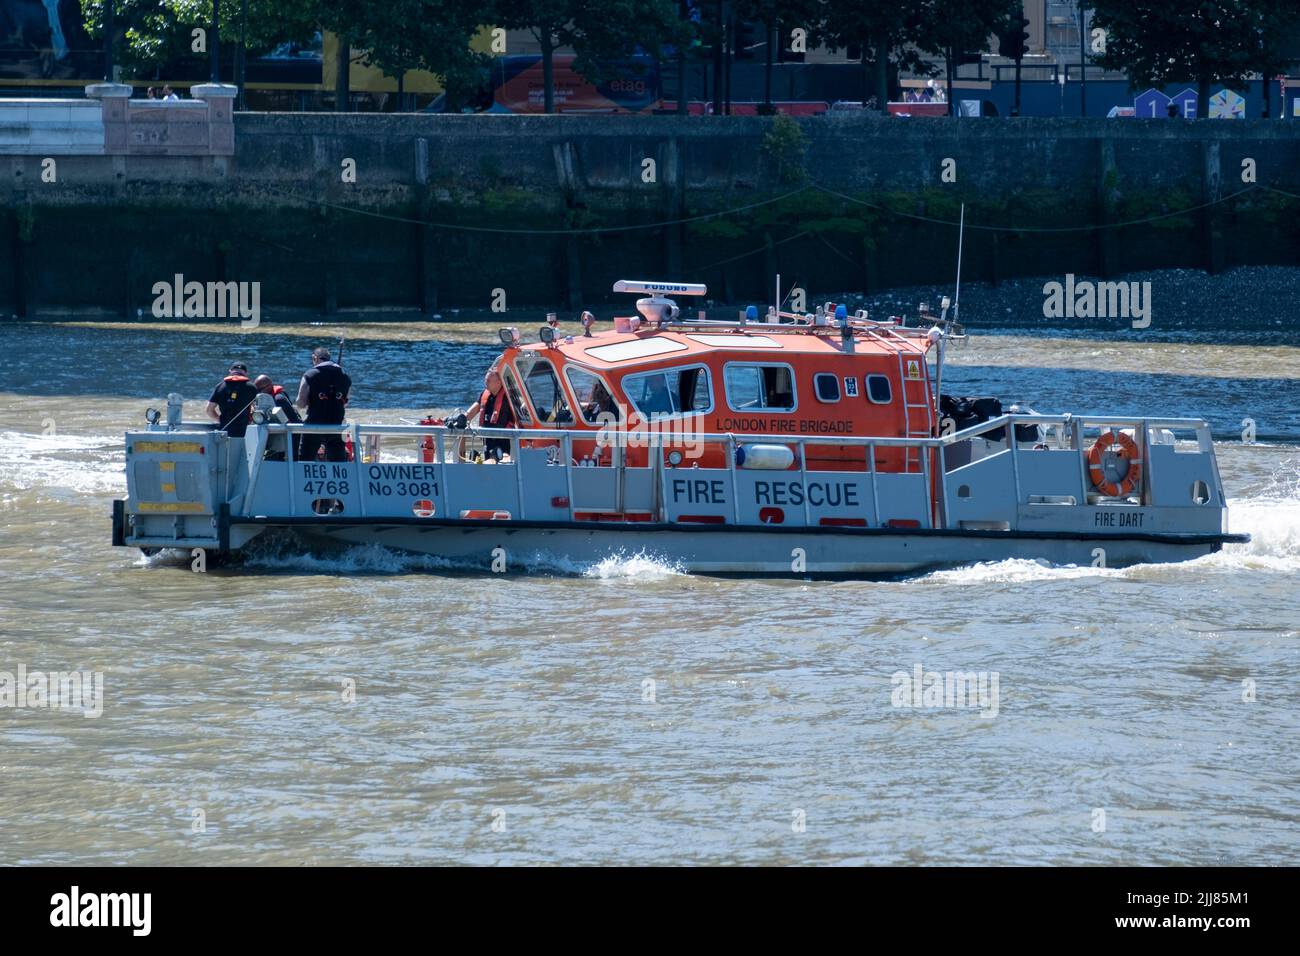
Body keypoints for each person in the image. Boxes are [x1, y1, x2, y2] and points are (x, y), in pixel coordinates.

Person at [294, 347, 352, 462]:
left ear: (314, 358)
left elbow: (300, 403)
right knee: (338, 462)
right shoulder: (345, 377)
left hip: (314, 425)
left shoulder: (310, 375)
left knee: (305, 460)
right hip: (336, 425)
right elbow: (345, 403)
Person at [460, 369, 516, 461]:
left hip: (504, 443)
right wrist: (461, 420)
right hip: (487, 439)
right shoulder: (484, 394)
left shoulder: (509, 398)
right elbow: (471, 412)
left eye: (488, 381)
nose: (485, 382)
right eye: (485, 380)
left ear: (499, 383)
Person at [206, 362, 258, 438]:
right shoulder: (251, 387)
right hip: (243, 431)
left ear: (230, 371)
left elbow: (209, 410)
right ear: (245, 373)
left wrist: (220, 420)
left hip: (224, 431)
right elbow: (257, 409)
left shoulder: (220, 386)